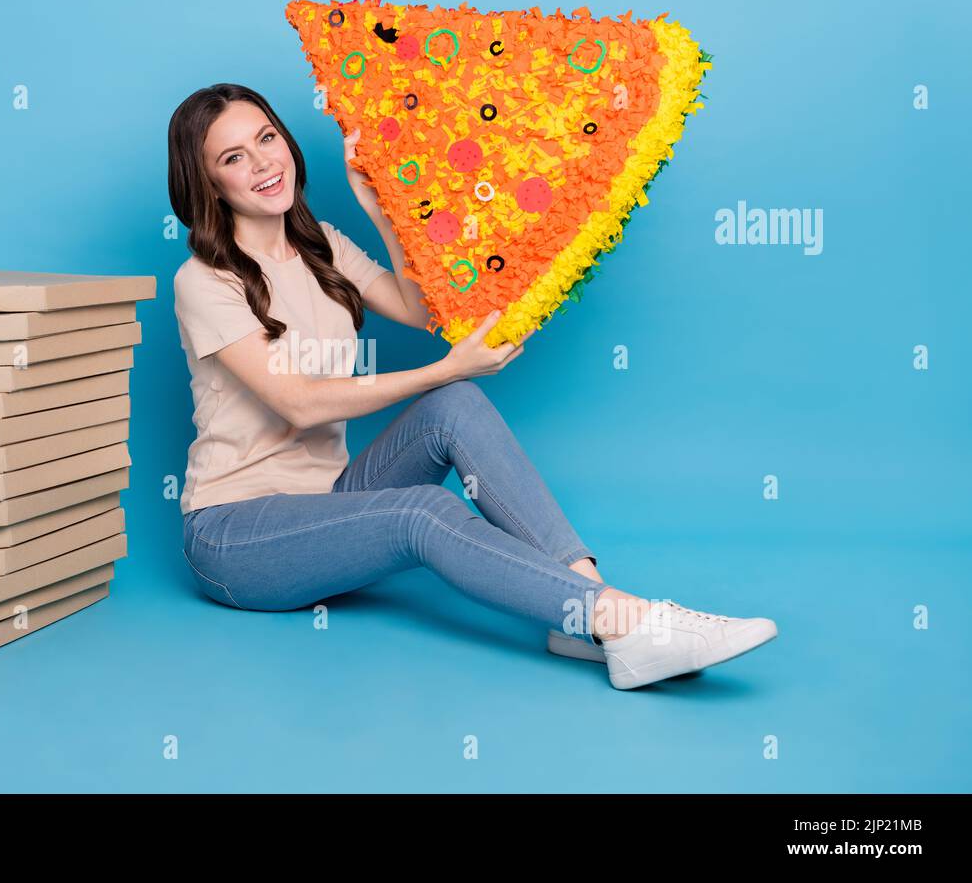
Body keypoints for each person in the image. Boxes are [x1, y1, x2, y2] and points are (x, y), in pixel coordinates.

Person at [166, 83, 776, 690]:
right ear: (210, 184)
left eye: (266, 139)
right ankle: (631, 621)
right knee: (423, 508)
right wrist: (445, 366)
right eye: (233, 157)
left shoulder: (319, 243)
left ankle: (585, 613)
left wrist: (379, 207)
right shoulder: (203, 280)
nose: (263, 163)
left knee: (455, 405)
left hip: (330, 502)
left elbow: (416, 303)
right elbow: (296, 401)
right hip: (236, 536)